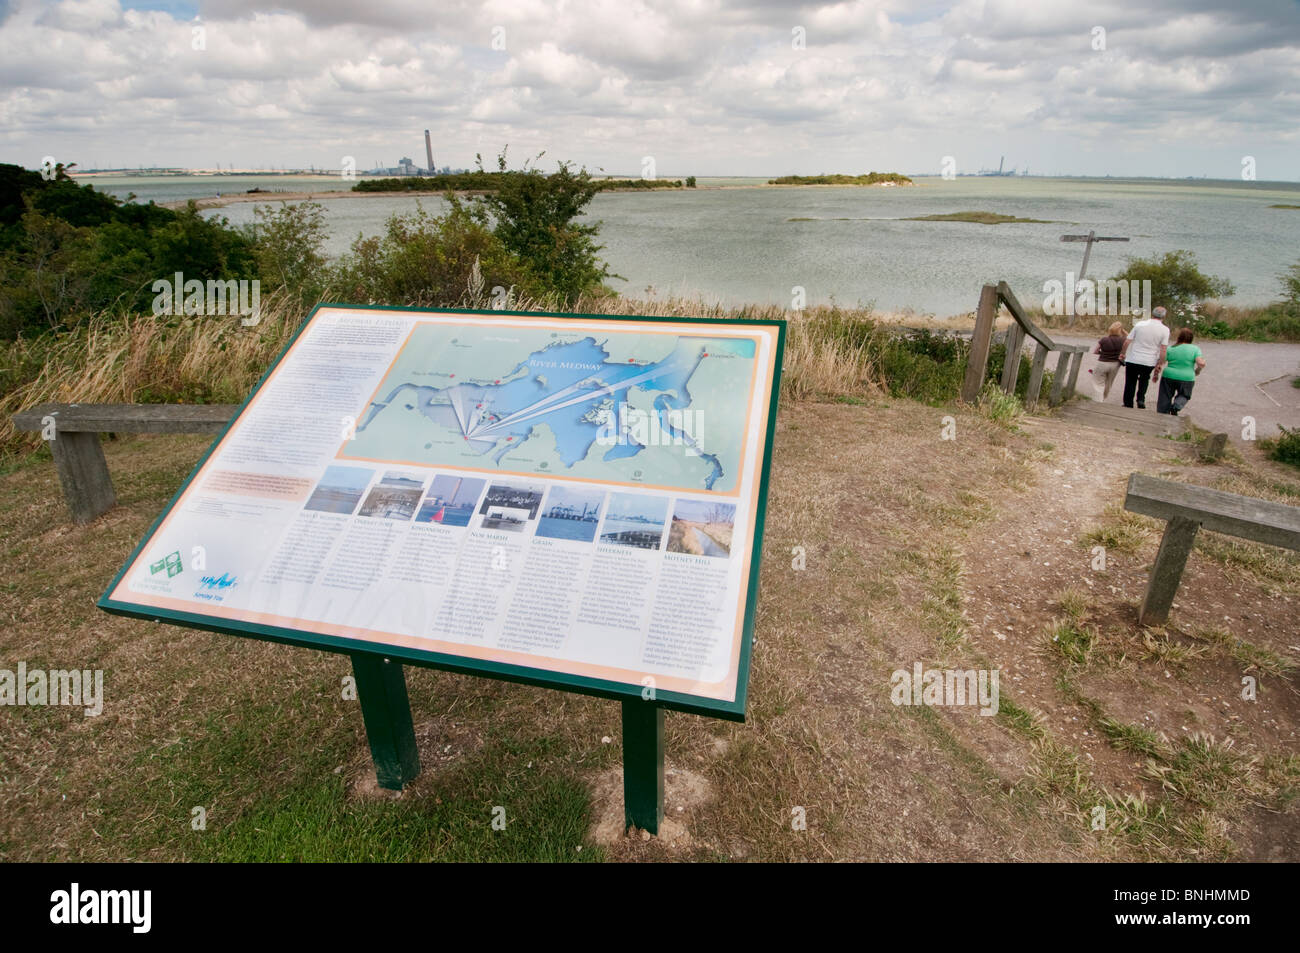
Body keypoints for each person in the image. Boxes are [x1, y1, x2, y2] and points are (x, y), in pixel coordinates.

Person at [1119, 305, 1170, 409]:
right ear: (1163, 316)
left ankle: (1128, 403)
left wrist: (1123, 353)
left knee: (1130, 381)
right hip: (1149, 361)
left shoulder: (1140, 324)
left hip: (1134, 358)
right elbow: (1163, 349)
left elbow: (1127, 341)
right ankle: (1141, 399)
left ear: (1152, 314)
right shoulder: (1165, 330)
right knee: (1144, 379)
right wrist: (1160, 363)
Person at [1155, 327, 1206, 415]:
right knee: (1184, 395)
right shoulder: (1195, 349)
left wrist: (1156, 372)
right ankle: (1177, 406)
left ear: (1179, 337)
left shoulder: (1171, 348)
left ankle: (1162, 414)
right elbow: (1200, 363)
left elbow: (1161, 361)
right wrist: (1198, 370)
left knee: (1165, 396)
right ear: (1191, 338)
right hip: (1187, 377)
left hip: (1169, 375)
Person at [1092, 321, 1126, 401]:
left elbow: (1095, 351)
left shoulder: (1104, 339)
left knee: (1098, 383)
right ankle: (1103, 397)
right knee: (1108, 383)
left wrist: (1102, 353)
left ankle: (1098, 401)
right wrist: (1123, 331)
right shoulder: (1123, 340)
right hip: (1115, 364)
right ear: (1120, 330)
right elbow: (1130, 338)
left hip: (1102, 362)